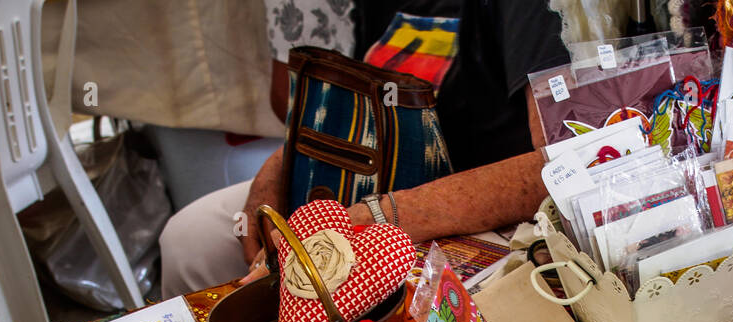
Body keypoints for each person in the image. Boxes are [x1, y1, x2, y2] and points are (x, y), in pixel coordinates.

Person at [160, 0, 569, 297]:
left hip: (476, 208)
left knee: (331, 283)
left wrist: (373, 218)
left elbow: (559, 164)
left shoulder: (531, 12)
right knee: (191, 240)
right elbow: (356, 108)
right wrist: (277, 169)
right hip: (374, 174)